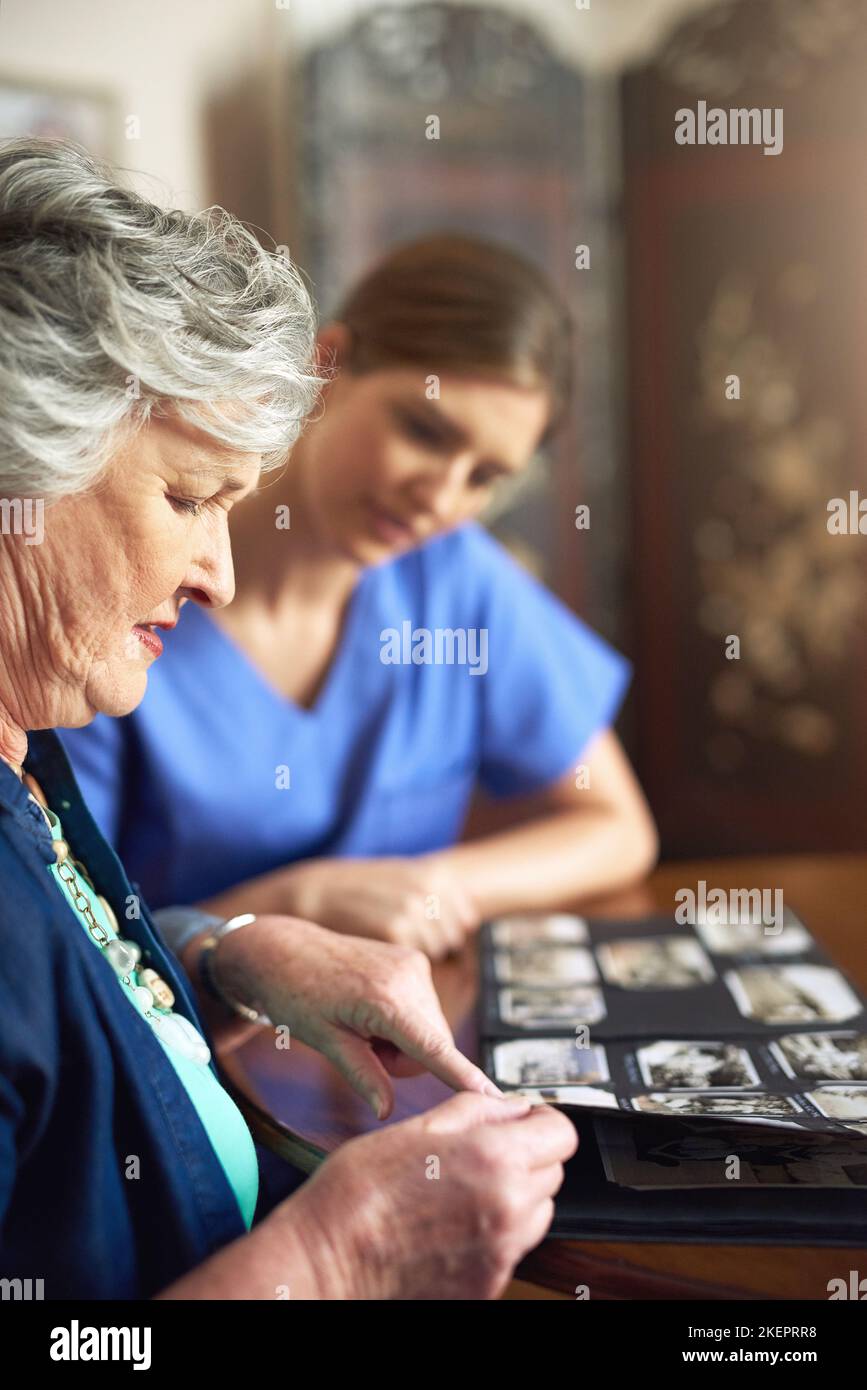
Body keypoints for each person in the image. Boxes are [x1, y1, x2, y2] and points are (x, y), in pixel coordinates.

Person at [0, 137, 577, 1300]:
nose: (216, 572)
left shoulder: (33, 736)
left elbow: (65, 991)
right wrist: (337, 1259)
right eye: (184, 497)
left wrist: (224, 950)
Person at [62, 234, 658, 961]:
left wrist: (435, 885)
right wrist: (294, 904)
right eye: (424, 431)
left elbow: (616, 827)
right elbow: (73, 948)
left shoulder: (456, 577)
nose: (439, 498)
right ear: (328, 364)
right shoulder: (127, 593)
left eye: (483, 477)